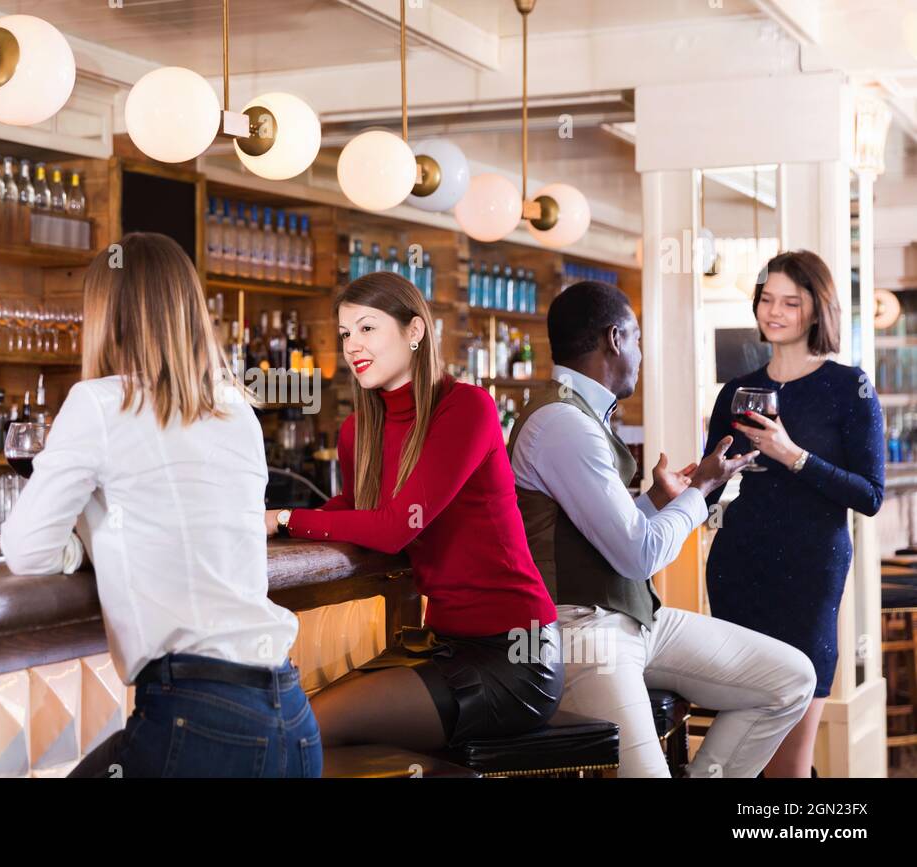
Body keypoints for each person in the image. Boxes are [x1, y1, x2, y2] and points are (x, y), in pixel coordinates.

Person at [0, 233, 315, 778]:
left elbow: (27, 551)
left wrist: (78, 552)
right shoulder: (237, 408)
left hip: (200, 718)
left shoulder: (99, 402)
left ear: (105, 314)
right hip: (291, 717)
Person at [508, 280, 817, 778]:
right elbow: (637, 555)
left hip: (634, 621)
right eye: (636, 338)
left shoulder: (579, 414)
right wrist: (703, 491)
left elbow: (606, 534)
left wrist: (655, 501)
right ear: (614, 338)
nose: (640, 353)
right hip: (581, 633)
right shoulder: (563, 423)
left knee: (791, 678)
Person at [265, 272, 562, 754]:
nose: (351, 346)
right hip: (441, 643)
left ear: (414, 331)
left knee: (309, 724)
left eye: (367, 328)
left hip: (514, 655)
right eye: (344, 334)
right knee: (302, 714)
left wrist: (284, 519)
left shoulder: (467, 409)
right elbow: (351, 510)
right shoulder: (356, 430)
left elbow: (396, 527)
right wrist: (269, 526)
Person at [705, 251, 885, 777]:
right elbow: (714, 486)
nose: (775, 311)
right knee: (748, 751)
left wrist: (793, 455)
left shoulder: (849, 387)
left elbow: (869, 495)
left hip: (810, 572)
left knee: (789, 758)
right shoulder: (735, 390)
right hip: (739, 566)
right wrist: (688, 488)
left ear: (816, 310)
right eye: (767, 299)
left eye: (791, 301)